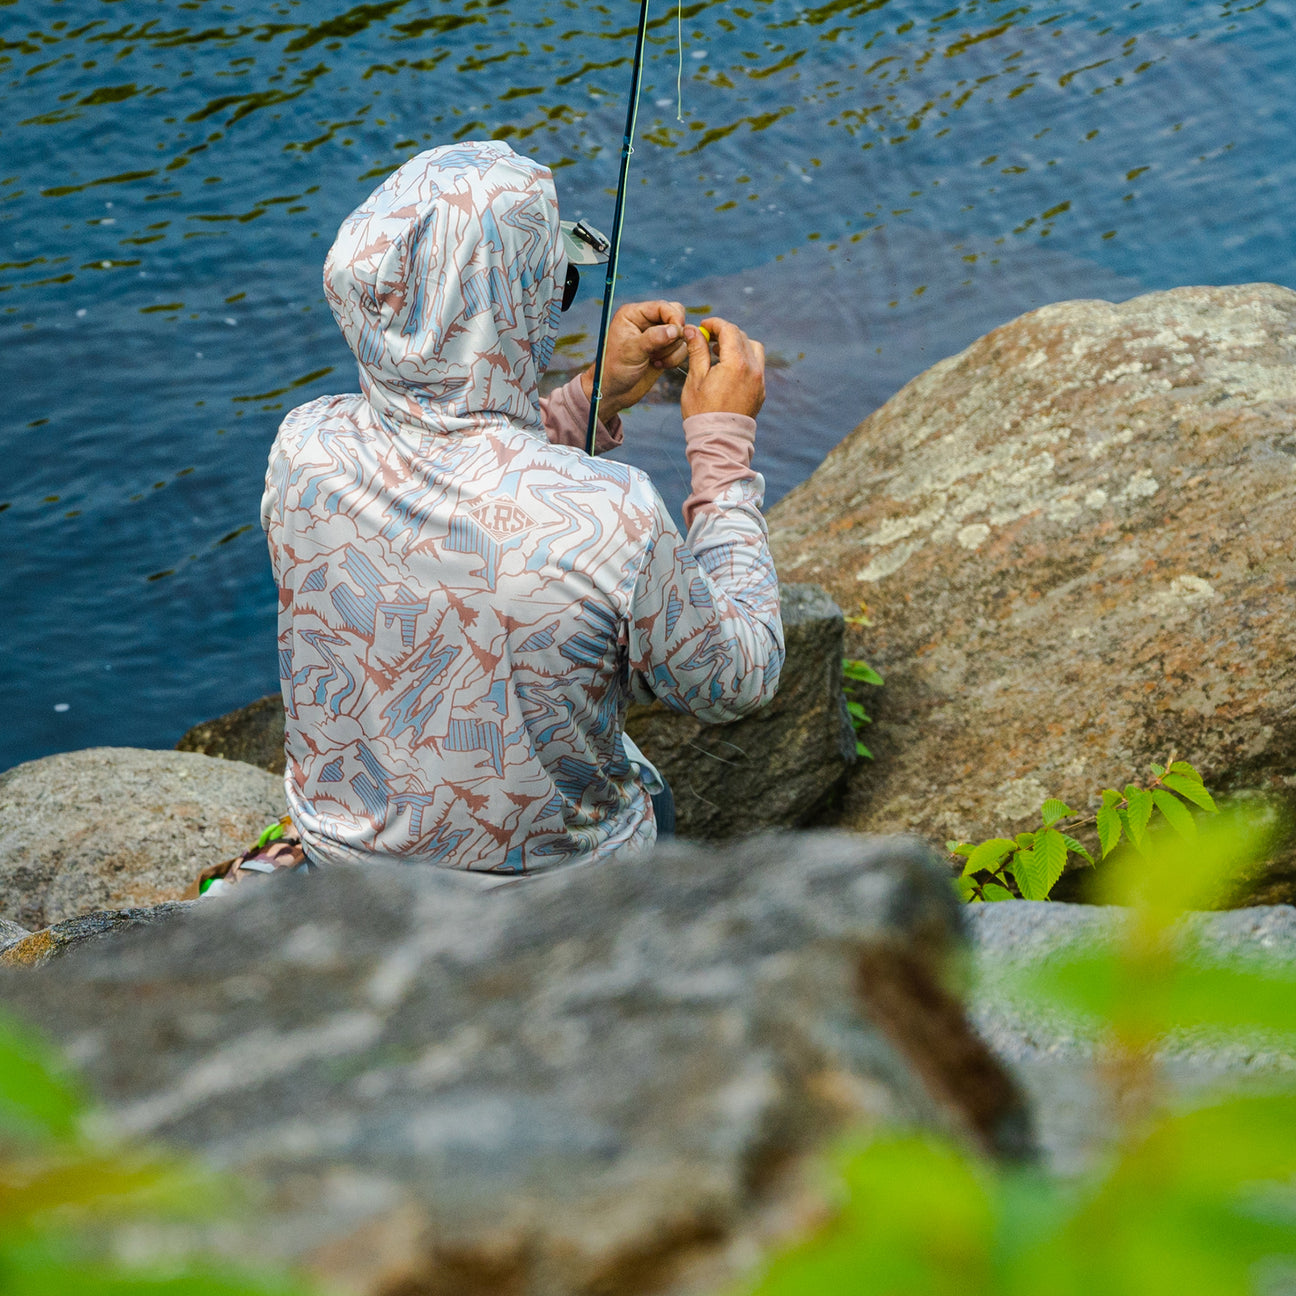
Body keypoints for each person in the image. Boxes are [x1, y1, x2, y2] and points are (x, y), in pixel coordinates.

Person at [260, 139, 783, 876]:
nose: (559, 303)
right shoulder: (614, 513)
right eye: (557, 287)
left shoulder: (303, 449)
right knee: (649, 789)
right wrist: (722, 449)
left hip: (350, 880)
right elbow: (739, 678)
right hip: (551, 908)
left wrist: (587, 398)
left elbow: (462, 472)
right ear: (520, 309)